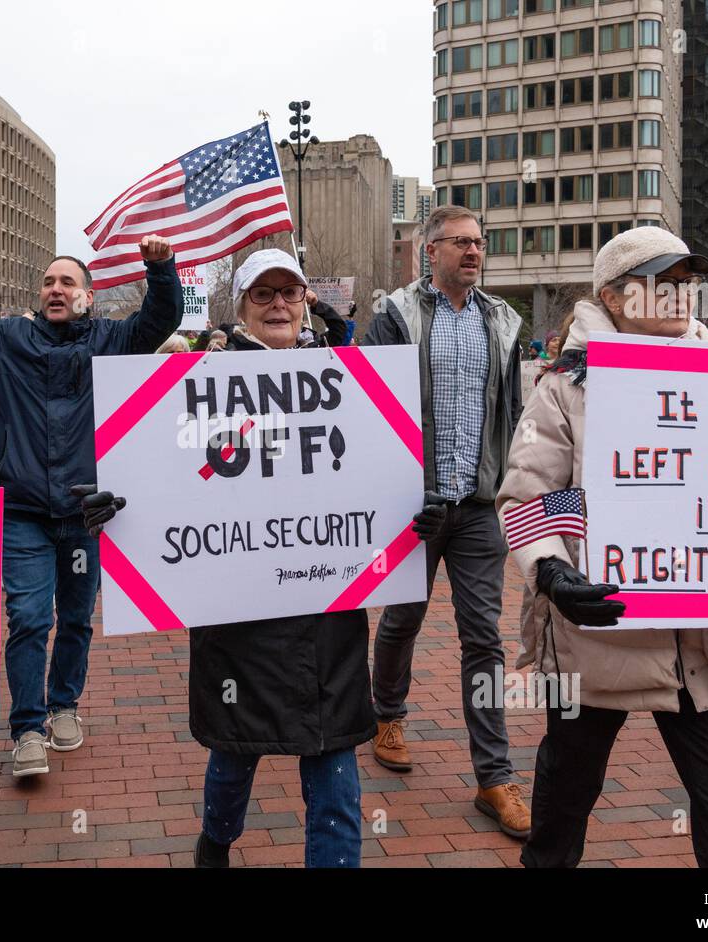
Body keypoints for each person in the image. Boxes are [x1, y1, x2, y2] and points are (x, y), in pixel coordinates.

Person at [79, 248, 450, 867]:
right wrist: (115, 506)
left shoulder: (354, 380)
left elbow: (379, 474)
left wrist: (419, 509)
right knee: (236, 748)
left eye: (290, 292)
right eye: (262, 294)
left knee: (334, 758)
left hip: (325, 611)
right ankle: (215, 840)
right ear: (242, 306)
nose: (278, 304)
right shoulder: (195, 378)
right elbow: (159, 472)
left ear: (306, 301)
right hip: (236, 611)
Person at [499, 226, 708, 867]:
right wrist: (552, 572)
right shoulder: (566, 388)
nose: (680, 295)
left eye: (686, 282)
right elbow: (530, 496)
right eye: (661, 282)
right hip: (599, 635)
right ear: (614, 297)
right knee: (564, 802)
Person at [0, 232, 182, 778]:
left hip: (87, 514)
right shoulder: (5, 339)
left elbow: (159, 320)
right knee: (29, 618)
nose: (55, 288)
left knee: (77, 619)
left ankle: (65, 705)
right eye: (48, 281)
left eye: (67, 281)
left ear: (88, 295)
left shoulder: (114, 339)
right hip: (21, 510)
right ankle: (27, 730)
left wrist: (161, 269)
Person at [362, 205, 531, 839]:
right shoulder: (395, 317)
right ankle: (388, 714)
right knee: (403, 616)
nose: (472, 251)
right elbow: (366, 401)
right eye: (458, 242)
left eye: (479, 242)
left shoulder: (504, 322)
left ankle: (495, 777)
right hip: (416, 502)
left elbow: (512, 414)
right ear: (428, 251)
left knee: (483, 639)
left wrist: (515, 488)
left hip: (480, 506)